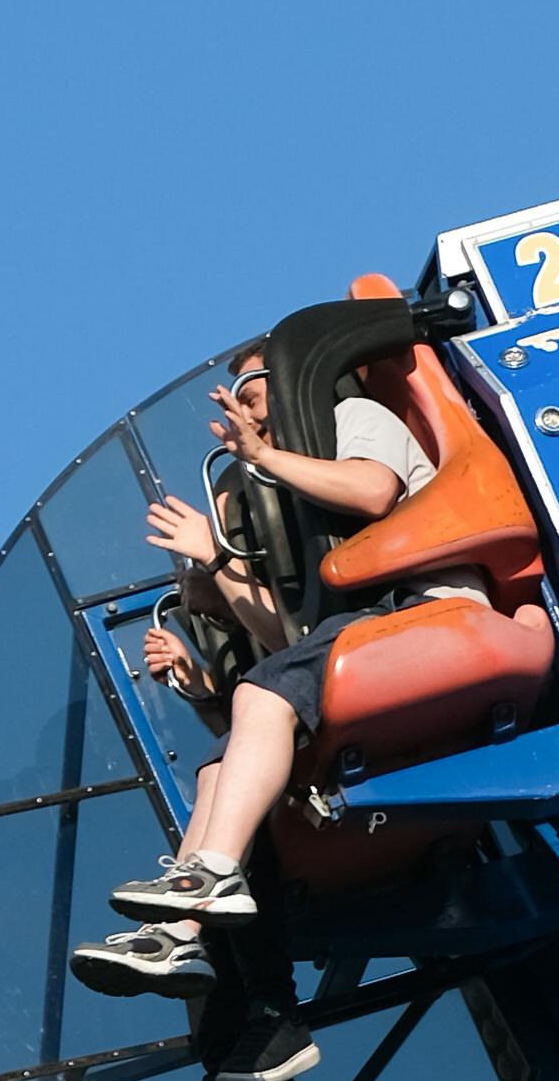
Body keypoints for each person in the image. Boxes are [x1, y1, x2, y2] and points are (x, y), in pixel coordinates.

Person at [73, 293, 450, 990]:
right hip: (367, 630)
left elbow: (373, 492)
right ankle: (177, 934)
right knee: (217, 768)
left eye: (253, 391)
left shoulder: (352, 419)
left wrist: (260, 464)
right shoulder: (291, 502)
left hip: (426, 606)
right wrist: (214, 580)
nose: (241, 412)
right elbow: (293, 641)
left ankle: (213, 877)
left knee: (263, 693)